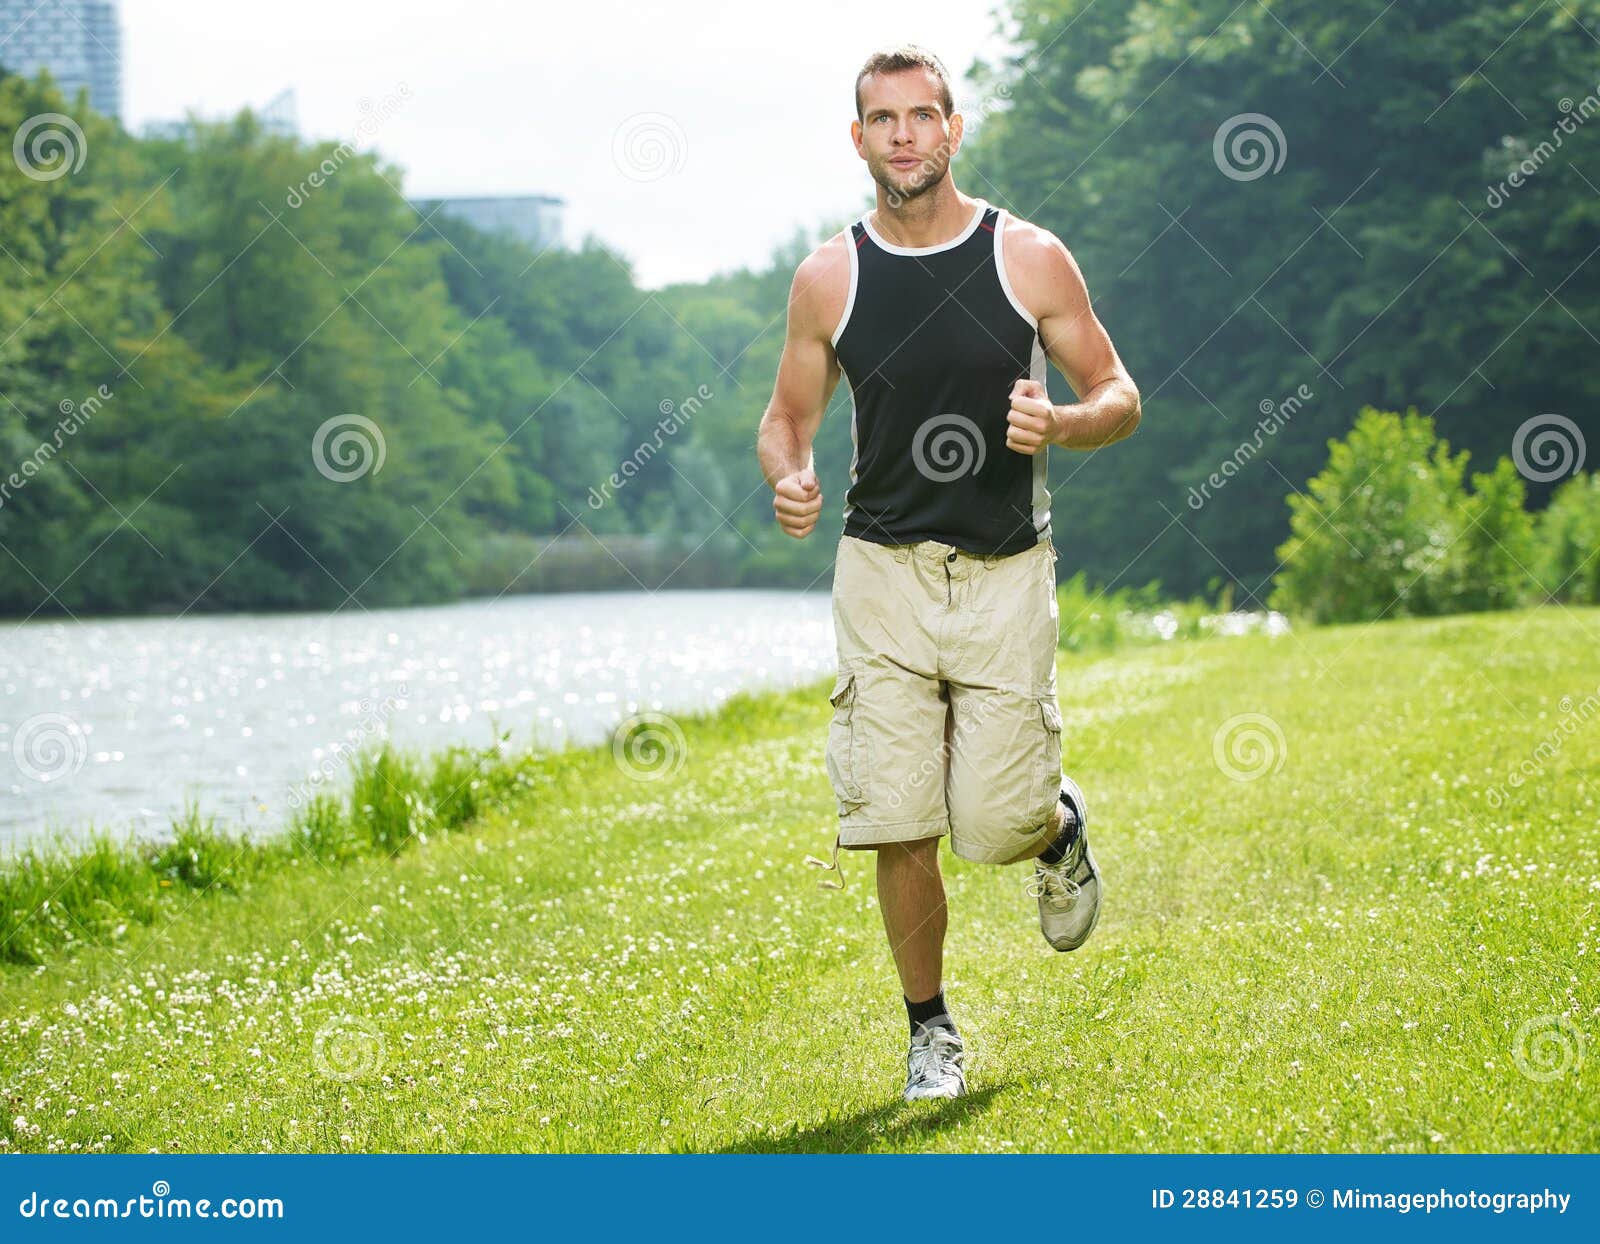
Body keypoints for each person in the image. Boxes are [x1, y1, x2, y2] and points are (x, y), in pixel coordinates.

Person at [755, 44, 1142, 1102]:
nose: (905, 137)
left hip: (1005, 571)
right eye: (884, 120)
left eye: (923, 116)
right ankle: (929, 1029)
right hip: (879, 569)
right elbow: (787, 419)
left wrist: (1059, 419)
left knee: (993, 821)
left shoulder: (1027, 257)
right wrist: (790, 475)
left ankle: (1052, 826)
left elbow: (1118, 391)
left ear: (952, 129)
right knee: (896, 813)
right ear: (858, 138)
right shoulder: (828, 276)